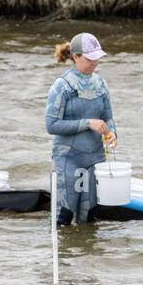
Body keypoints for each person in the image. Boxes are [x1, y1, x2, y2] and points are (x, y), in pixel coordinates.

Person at [46, 32, 117, 226]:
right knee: (63, 219)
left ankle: (89, 256)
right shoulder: (62, 86)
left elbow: (108, 118)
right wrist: (88, 123)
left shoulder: (101, 84)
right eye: (90, 58)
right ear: (75, 57)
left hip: (95, 159)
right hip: (67, 159)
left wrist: (112, 134)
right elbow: (51, 125)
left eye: (97, 58)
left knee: (90, 219)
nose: (95, 63)